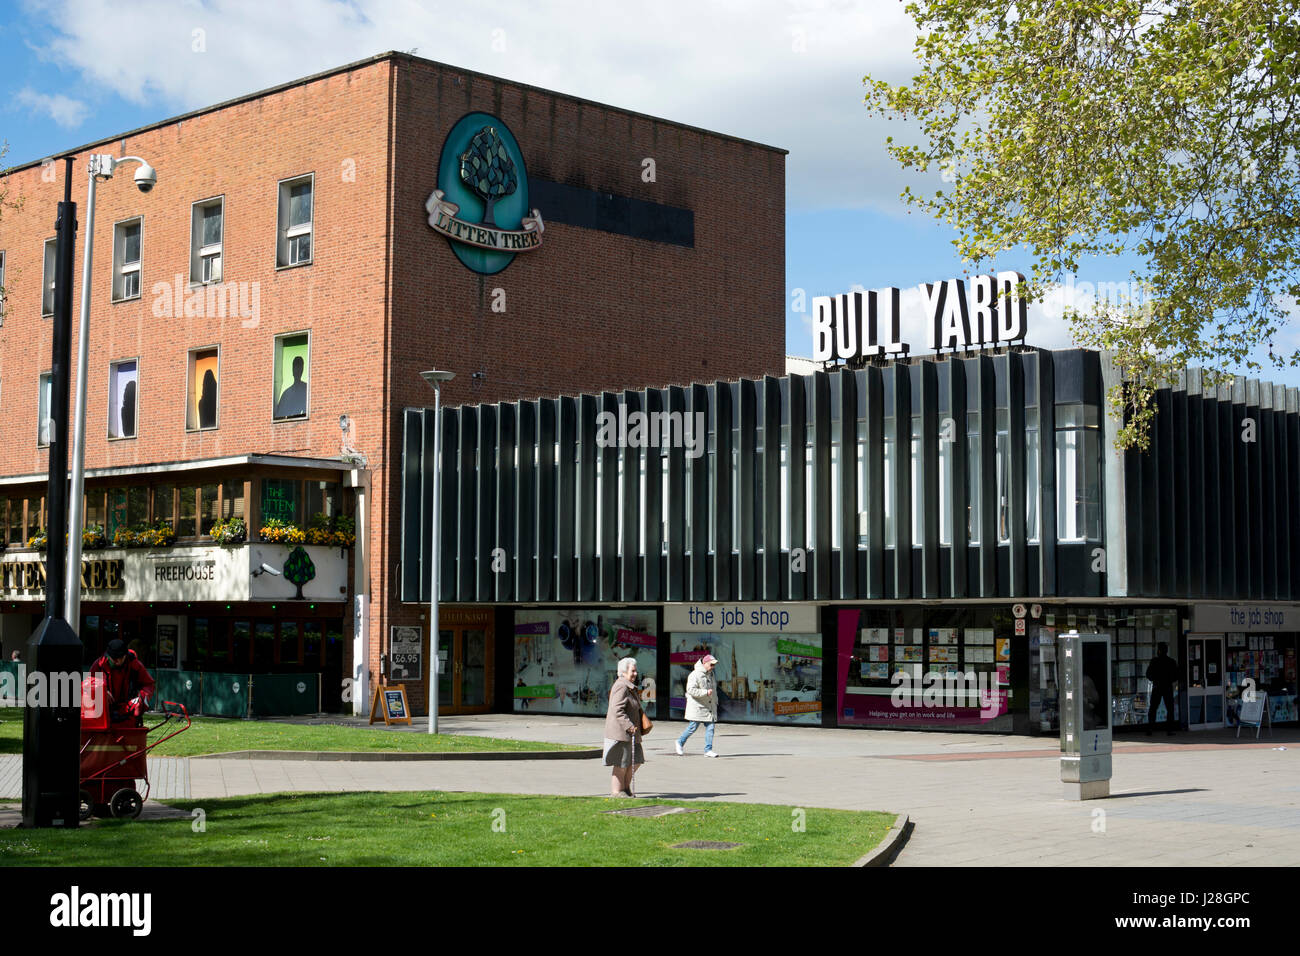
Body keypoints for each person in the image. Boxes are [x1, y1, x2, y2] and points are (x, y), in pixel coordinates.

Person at [89, 638, 156, 726]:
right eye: (115, 659)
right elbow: (88, 685)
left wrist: (141, 698)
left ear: (125, 655)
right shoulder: (99, 665)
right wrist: (102, 690)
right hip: (104, 714)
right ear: (109, 656)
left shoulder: (135, 665)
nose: (119, 661)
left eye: (121, 658)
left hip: (128, 713)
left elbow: (149, 685)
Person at [603, 657, 644, 796]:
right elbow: (616, 709)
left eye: (635, 671)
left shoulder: (629, 686)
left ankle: (625, 788)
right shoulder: (621, 686)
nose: (635, 673)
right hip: (622, 732)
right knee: (621, 763)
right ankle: (617, 791)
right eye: (632, 671)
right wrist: (628, 725)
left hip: (632, 733)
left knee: (636, 761)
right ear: (623, 672)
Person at [676, 653, 719, 757]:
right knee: (693, 727)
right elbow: (690, 690)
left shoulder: (711, 674)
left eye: (714, 665)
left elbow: (714, 691)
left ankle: (708, 750)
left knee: (711, 727)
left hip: (708, 707)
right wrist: (705, 692)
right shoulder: (694, 674)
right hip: (698, 707)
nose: (713, 667)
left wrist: (716, 701)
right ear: (705, 663)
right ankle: (679, 742)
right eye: (711, 664)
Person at [1145, 642, 1179, 736]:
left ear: (1159, 651)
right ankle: (1169, 729)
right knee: (1170, 709)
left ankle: (1150, 728)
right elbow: (1176, 675)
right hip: (1167, 687)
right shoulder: (1171, 662)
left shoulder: (1154, 661)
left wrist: (1155, 679)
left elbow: (1148, 674)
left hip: (1157, 687)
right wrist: (1169, 680)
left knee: (1153, 708)